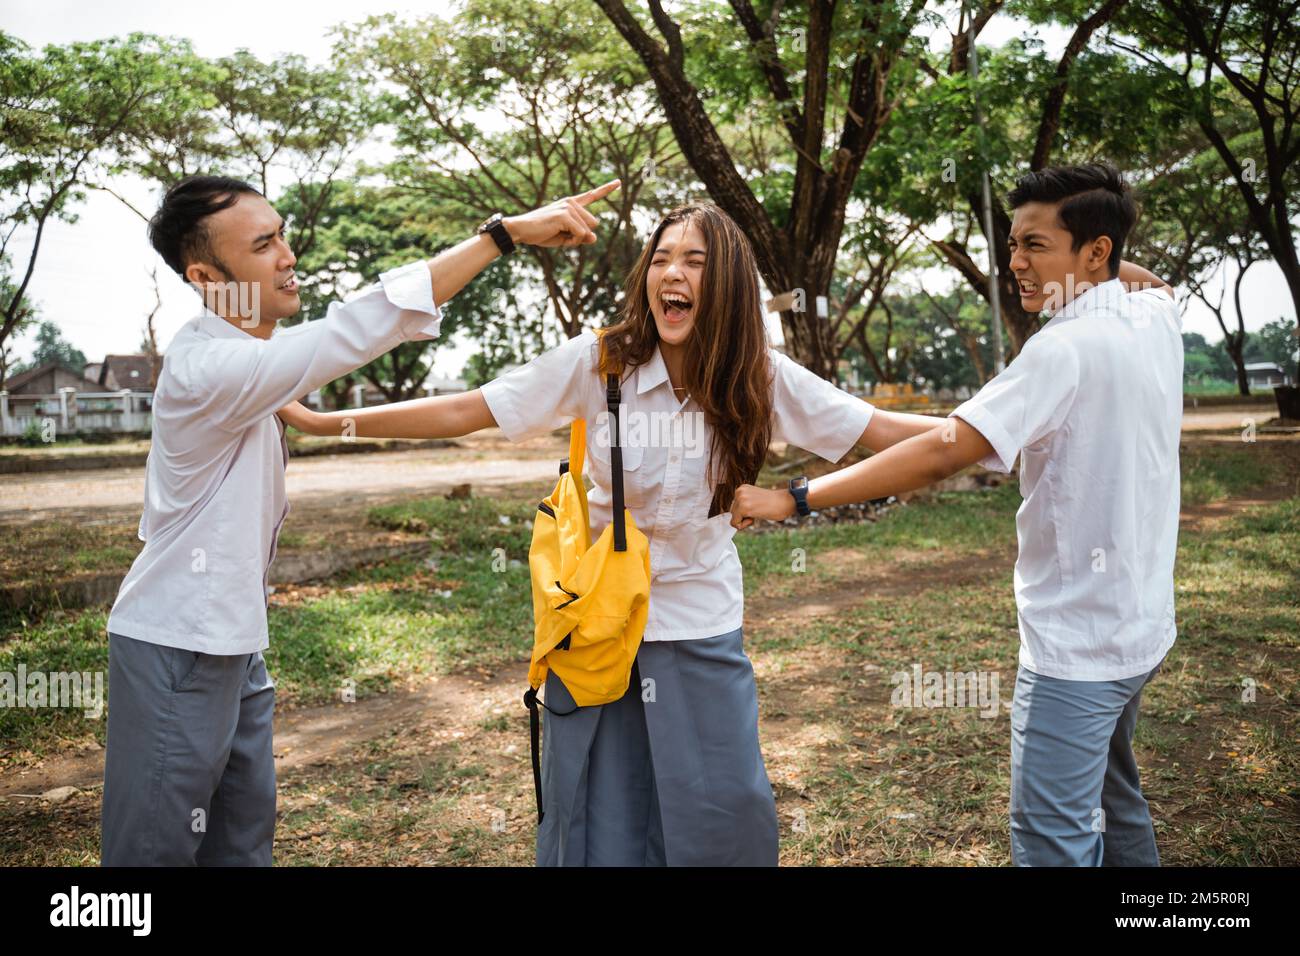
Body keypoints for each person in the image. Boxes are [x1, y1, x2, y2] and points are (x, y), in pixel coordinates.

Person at [277, 200, 948, 866]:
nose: (672, 274)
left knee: (723, 817)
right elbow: (468, 408)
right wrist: (321, 423)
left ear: (730, 286)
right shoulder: (601, 363)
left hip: (699, 630)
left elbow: (887, 436)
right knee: (600, 823)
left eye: (695, 261)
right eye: (660, 259)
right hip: (596, 634)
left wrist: (996, 438)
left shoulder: (760, 376)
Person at [100, 172, 620, 866]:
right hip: (177, 644)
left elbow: (319, 370)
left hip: (234, 642)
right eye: (263, 245)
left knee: (240, 843)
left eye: (282, 233)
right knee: (152, 855)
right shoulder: (210, 369)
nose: (287, 255)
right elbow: (355, 329)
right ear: (206, 275)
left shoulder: (246, 362)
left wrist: (318, 418)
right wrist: (502, 235)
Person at [732, 162, 1182, 867]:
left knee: (1053, 837)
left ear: (1094, 252)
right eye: (1013, 244)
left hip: (1078, 647)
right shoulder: (1153, 320)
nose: (1015, 265)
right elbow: (1150, 282)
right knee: (1113, 801)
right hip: (1141, 629)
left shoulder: (1061, 349)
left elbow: (947, 451)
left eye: (1037, 245)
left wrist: (794, 497)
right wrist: (1106, 250)